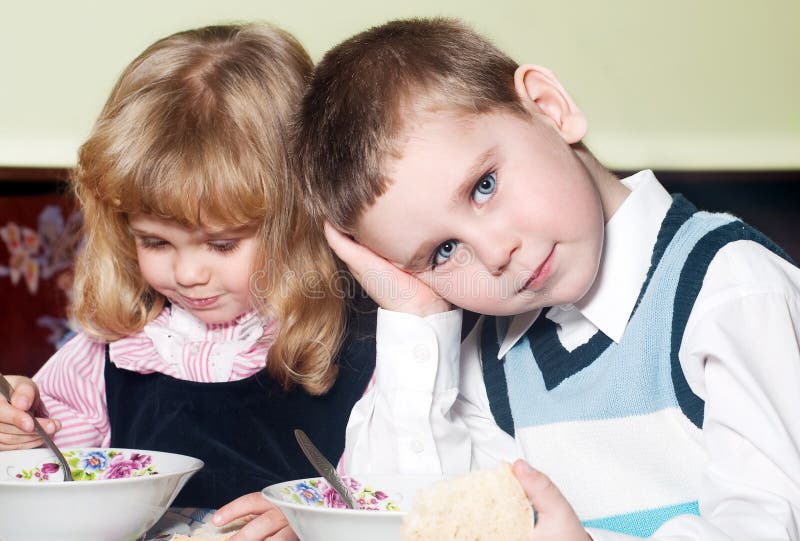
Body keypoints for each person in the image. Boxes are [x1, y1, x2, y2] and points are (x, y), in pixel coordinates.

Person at [292, 17, 800, 541]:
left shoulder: (727, 289)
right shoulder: (495, 356)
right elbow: (401, 517)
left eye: (484, 186)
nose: (494, 253)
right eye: (444, 252)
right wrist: (416, 315)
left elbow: (769, 524)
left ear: (550, 109)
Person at [0, 23, 375, 540]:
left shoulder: (370, 347)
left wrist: (314, 519)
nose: (188, 274)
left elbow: (399, 485)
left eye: (222, 245)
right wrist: (23, 428)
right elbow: (65, 479)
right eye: (155, 242)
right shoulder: (117, 349)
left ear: (301, 218)